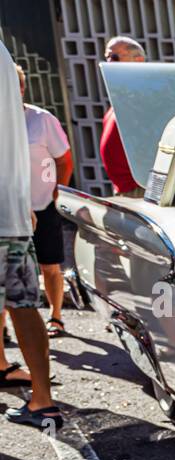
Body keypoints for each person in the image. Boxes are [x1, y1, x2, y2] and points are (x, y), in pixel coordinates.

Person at [0, 40, 60, 428]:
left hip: (12, 208)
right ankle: (42, 399)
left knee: (22, 303)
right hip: (11, 209)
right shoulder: (4, 55)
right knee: (22, 303)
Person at [15, 64, 73, 338]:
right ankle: (6, 329)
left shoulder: (41, 119)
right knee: (10, 268)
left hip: (43, 204)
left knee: (49, 265)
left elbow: (64, 159)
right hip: (9, 209)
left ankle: (56, 316)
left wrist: (56, 191)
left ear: (22, 88)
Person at [98, 36, 146, 198]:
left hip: (140, 188)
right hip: (124, 190)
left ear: (138, 60)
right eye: (107, 58)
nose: (109, 64)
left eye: (115, 58)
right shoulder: (122, 95)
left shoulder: (145, 94)